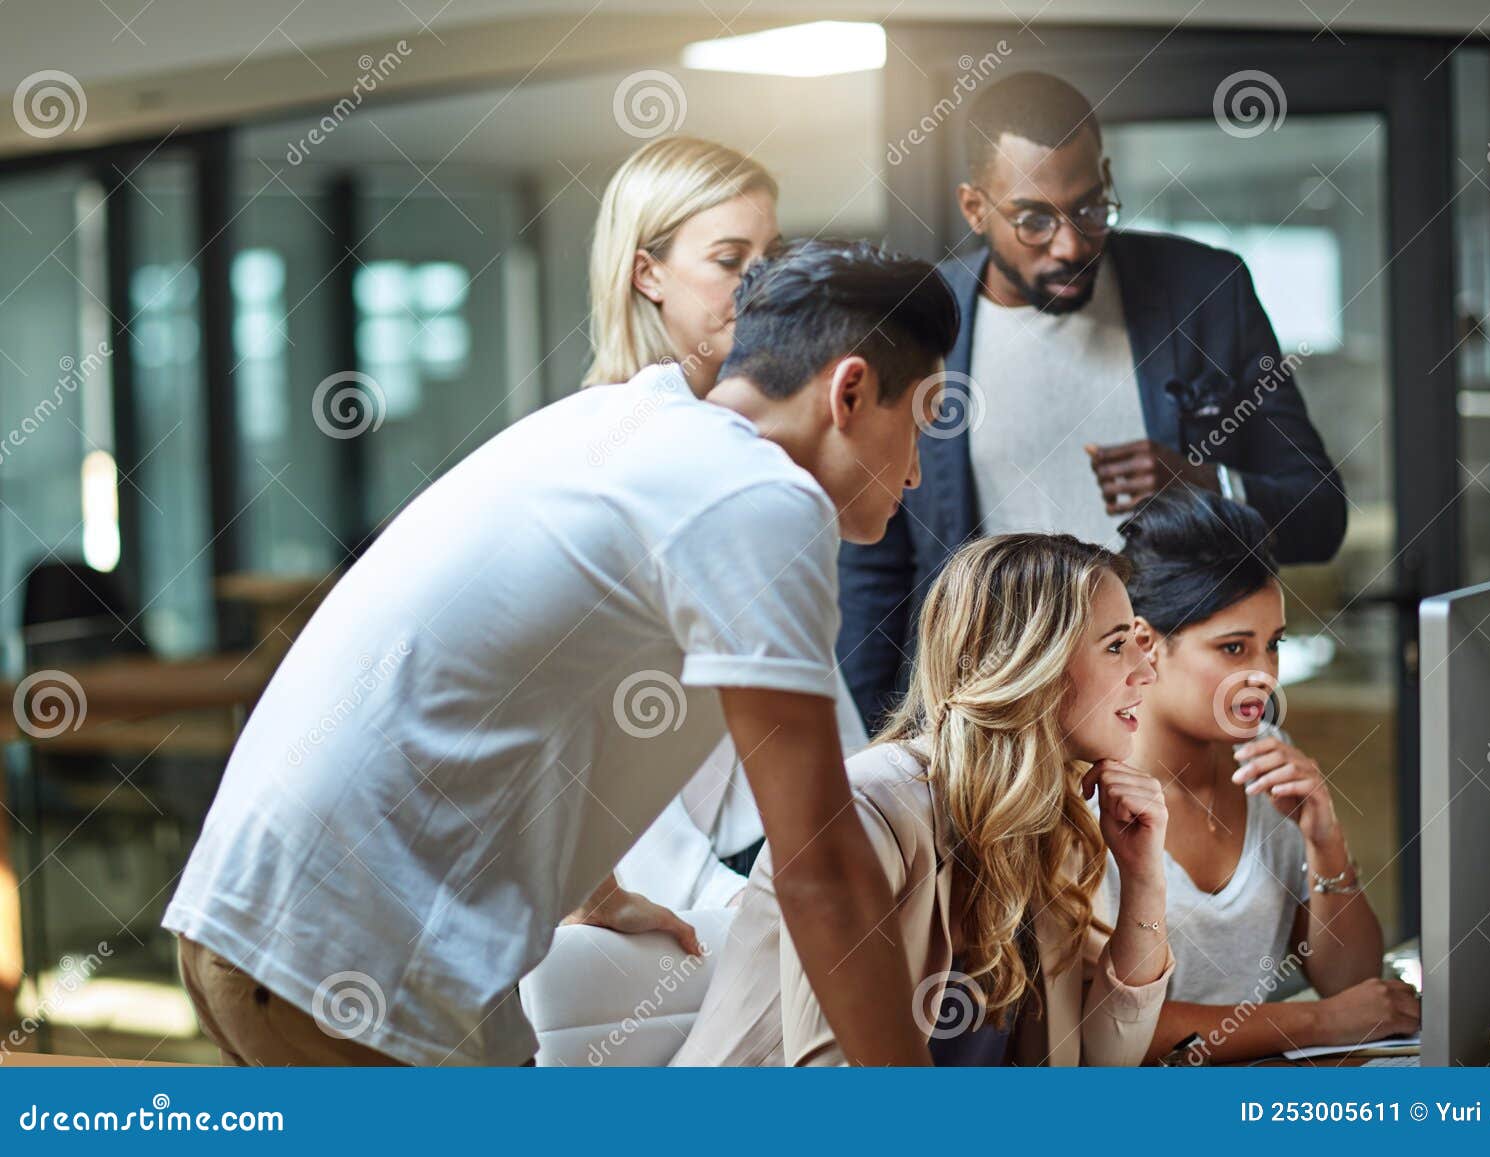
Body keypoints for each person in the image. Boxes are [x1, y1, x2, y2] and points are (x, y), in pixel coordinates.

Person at [162, 238, 959, 1067]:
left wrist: (595, 886)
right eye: (923, 422)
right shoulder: (762, 499)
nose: (914, 476)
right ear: (853, 389)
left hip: (268, 922)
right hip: (348, 954)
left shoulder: (626, 422)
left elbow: (548, 673)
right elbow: (821, 869)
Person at [839, 71, 1348, 730]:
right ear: (974, 208)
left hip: (1171, 717)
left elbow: (1321, 512)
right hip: (989, 727)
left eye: (1089, 208)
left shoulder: (1205, 292)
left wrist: (1207, 483)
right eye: (1033, 219)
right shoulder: (918, 324)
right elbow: (877, 568)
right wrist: (871, 753)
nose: (1071, 244)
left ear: (1105, 177)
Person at [674, 532, 1174, 1066]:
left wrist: (1144, 878)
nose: (1146, 673)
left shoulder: (1052, 827)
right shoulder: (865, 811)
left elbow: (1103, 1064)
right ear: (1032, 663)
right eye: (1117, 645)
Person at [584, 135, 868, 909]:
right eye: (728, 258)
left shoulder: (748, 445)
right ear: (647, 273)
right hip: (670, 873)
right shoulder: (623, 449)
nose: (758, 284)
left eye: (769, 257)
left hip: (755, 847)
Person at [1108, 488, 1417, 1064]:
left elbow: (1349, 981)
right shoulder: (1090, 797)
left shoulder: (1268, 759)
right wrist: (1319, 1023)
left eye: (1272, 646)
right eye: (1232, 648)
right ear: (1146, 645)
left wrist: (1326, 844)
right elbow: (1113, 1032)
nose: (1262, 675)